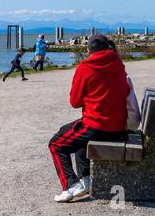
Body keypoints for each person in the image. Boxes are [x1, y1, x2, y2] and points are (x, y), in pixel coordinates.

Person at [48, 34, 128, 202]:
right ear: (108, 48)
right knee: (77, 138)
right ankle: (86, 179)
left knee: (56, 144)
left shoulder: (85, 67)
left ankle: (71, 185)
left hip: (97, 126)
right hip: (119, 128)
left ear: (88, 50)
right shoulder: (119, 64)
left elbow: (75, 102)